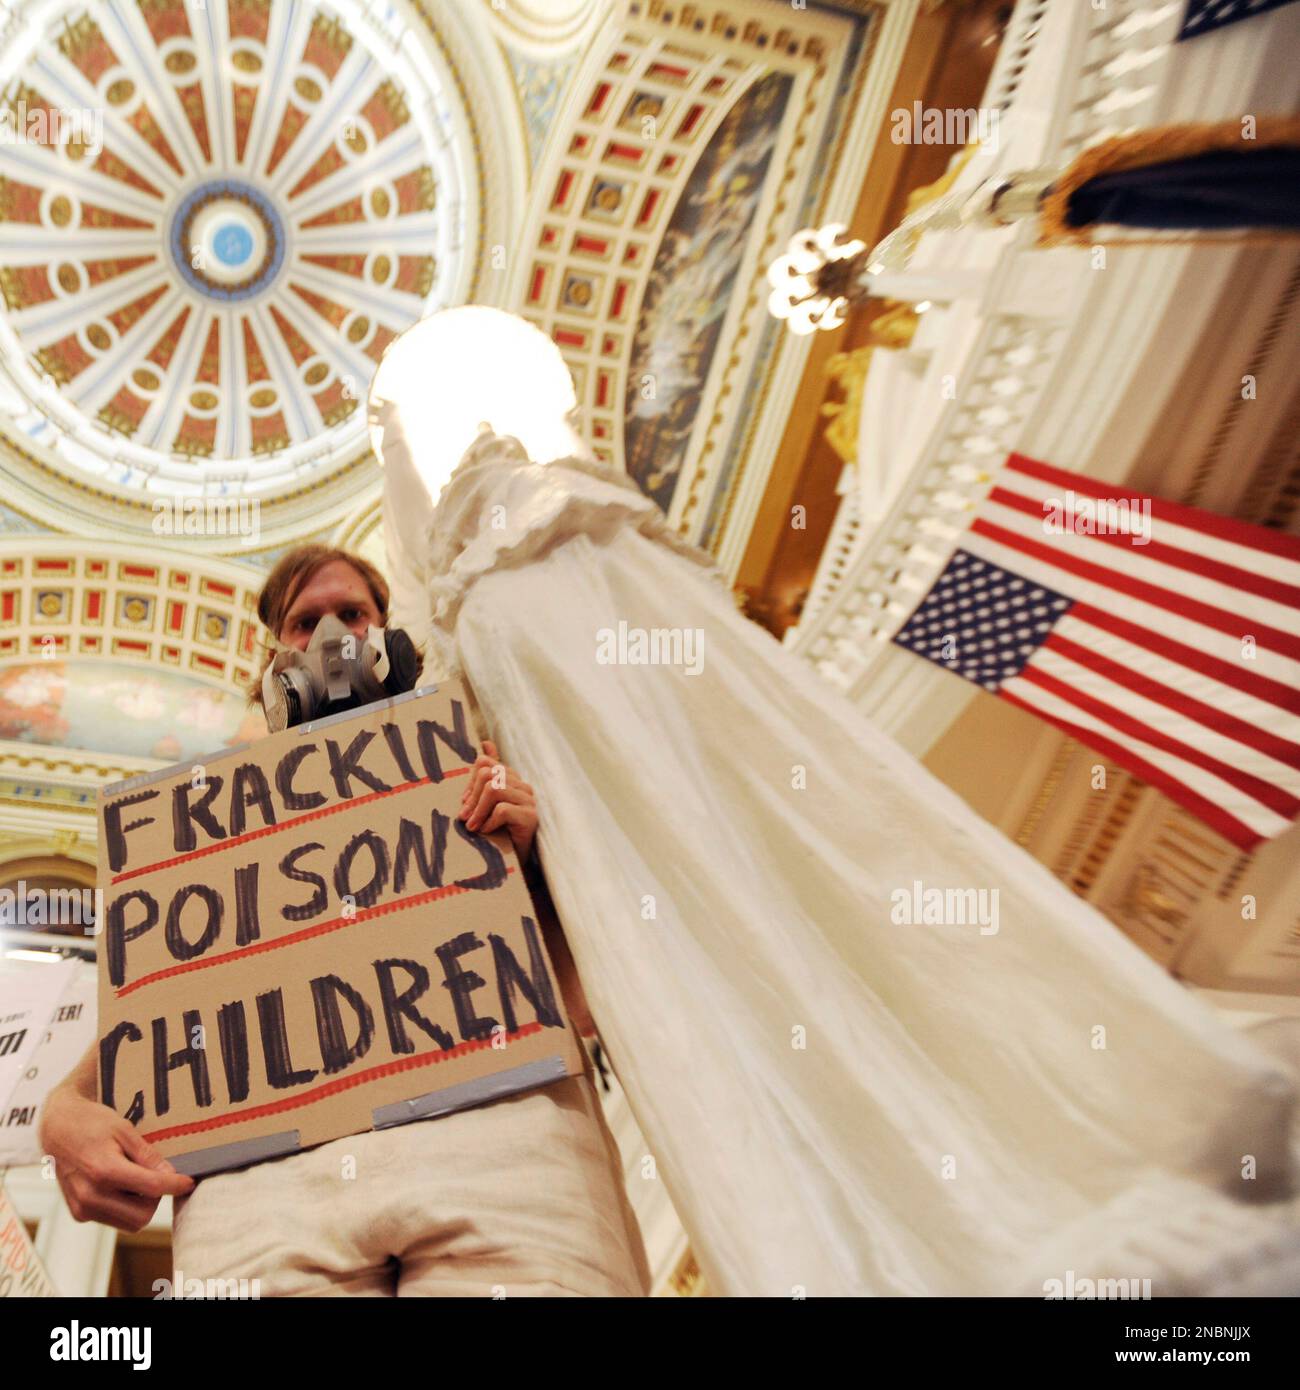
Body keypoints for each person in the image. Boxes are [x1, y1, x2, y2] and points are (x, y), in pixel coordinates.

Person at [40, 545, 650, 1297]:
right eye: (304, 621)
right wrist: (64, 1112)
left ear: (390, 635)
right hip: (264, 1192)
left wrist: (528, 865)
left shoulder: (478, 763)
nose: (332, 634)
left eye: (353, 613)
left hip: (504, 1150)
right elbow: (169, 1009)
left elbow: (586, 1007)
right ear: (271, 658)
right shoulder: (203, 824)